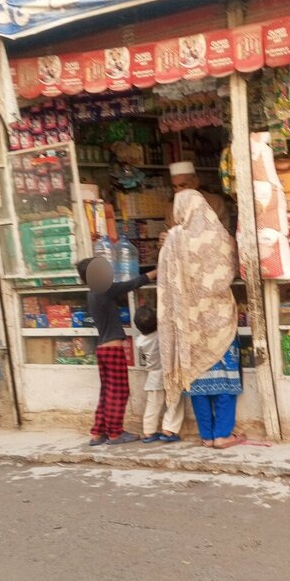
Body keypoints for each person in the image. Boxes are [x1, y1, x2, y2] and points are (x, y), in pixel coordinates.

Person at [158, 189, 244, 449]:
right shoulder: (219, 236)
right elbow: (233, 268)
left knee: (197, 379)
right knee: (225, 381)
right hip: (218, 319)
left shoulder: (172, 240)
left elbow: (166, 283)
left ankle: (207, 436)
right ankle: (223, 434)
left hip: (190, 324)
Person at [76, 256, 155, 446]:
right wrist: (156, 272)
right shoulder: (105, 290)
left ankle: (98, 432)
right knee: (119, 392)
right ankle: (114, 433)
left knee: (106, 392)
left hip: (102, 349)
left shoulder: (92, 293)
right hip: (113, 349)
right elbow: (133, 283)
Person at [133, 304, 184, 444]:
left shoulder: (139, 341)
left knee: (152, 405)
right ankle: (168, 430)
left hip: (153, 376)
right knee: (174, 402)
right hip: (169, 373)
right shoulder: (160, 336)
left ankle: (148, 432)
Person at [163, 161, 231, 234]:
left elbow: (225, 233)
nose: (178, 190)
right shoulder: (171, 207)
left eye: (183, 185)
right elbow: (169, 233)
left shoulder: (215, 202)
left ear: (195, 182)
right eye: (175, 187)